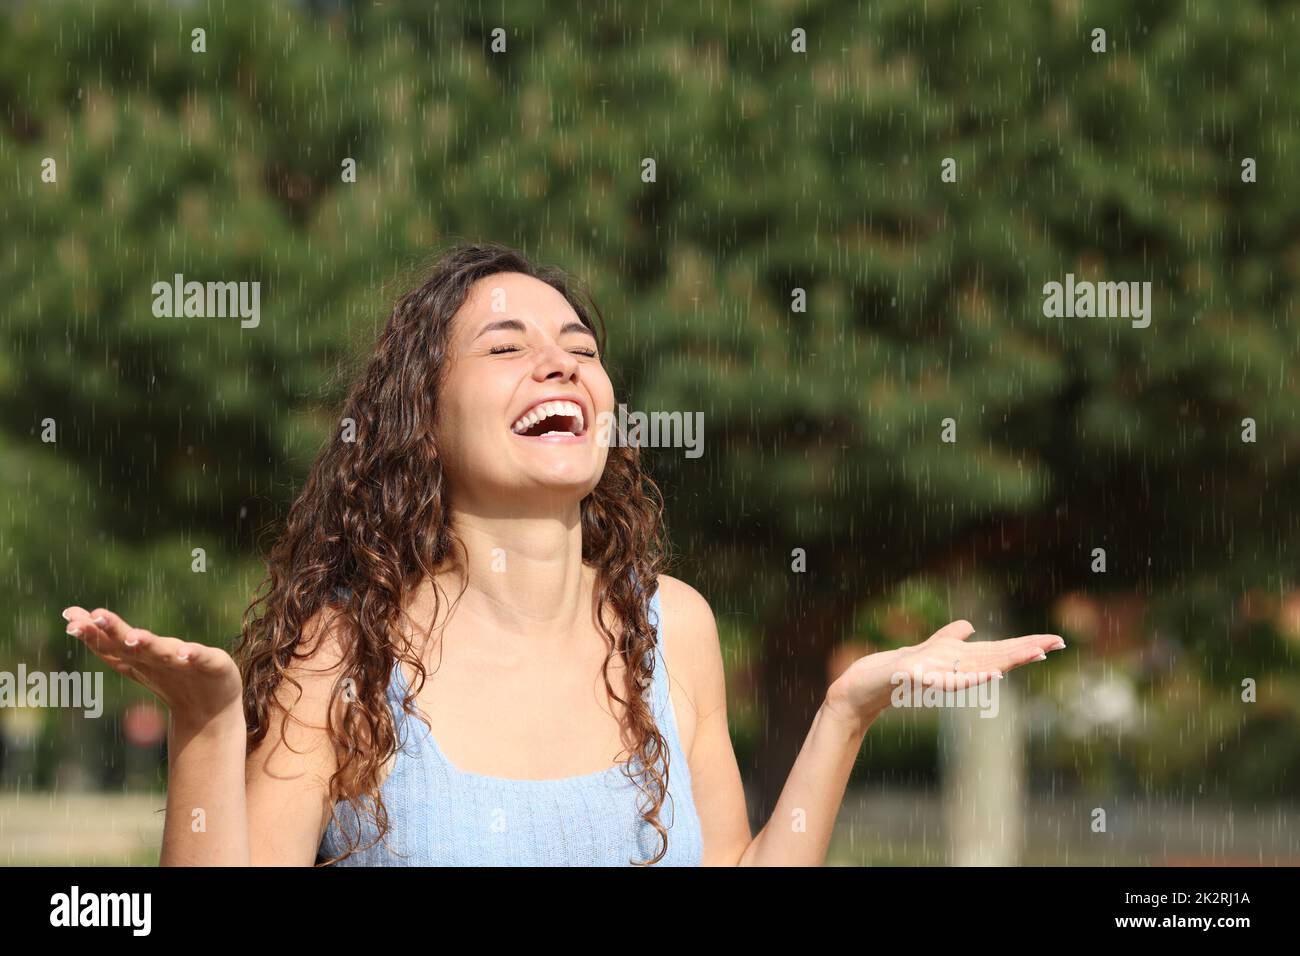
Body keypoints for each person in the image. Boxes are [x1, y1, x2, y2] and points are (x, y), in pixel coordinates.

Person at [61, 241, 1066, 866]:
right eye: (505, 347)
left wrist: (847, 710)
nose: (560, 361)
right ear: (422, 420)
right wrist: (203, 726)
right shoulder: (343, 647)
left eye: (580, 347)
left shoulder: (675, 625)